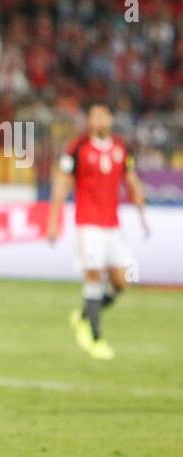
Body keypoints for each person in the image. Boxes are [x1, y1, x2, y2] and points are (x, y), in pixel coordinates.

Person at [46, 103, 148, 360]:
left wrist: (141, 209)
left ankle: (83, 315)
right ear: (89, 121)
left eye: (103, 114)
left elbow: (131, 180)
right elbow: (62, 185)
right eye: (94, 115)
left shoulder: (122, 148)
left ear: (111, 119)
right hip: (88, 224)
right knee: (93, 276)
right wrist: (53, 220)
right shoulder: (77, 148)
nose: (99, 119)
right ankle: (95, 337)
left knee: (122, 281)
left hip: (112, 225)